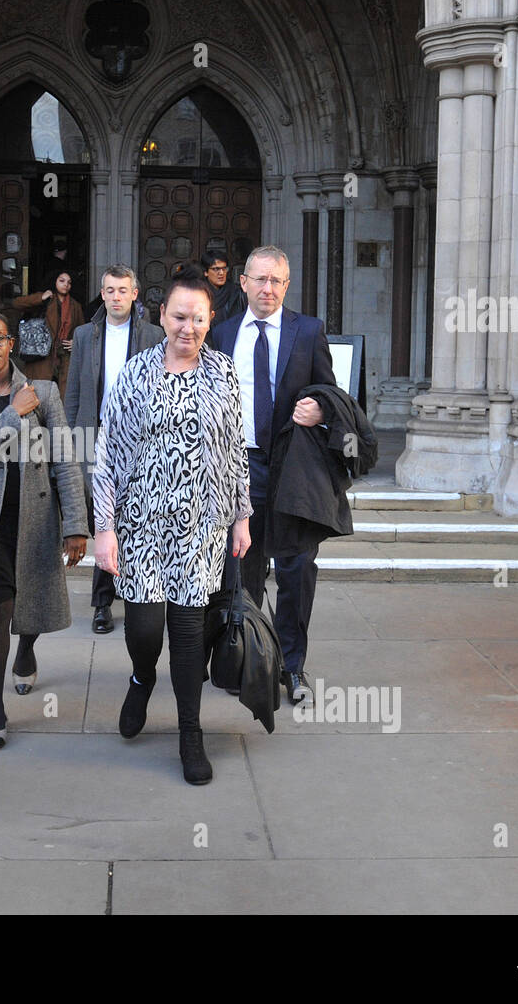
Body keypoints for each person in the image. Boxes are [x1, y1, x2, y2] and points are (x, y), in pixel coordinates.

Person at [93, 273, 253, 785]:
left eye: (198, 318)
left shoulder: (223, 373)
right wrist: (105, 527)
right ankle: (142, 676)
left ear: (210, 320)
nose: (188, 327)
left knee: (187, 632)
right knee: (144, 629)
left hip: (200, 526)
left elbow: (234, 451)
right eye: (179, 317)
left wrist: (241, 515)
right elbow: (108, 454)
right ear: (161, 316)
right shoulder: (136, 373)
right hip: (140, 522)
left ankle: (190, 732)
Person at [0, 311, 89, 749]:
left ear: (12, 344)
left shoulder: (43, 392)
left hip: (36, 519)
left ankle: (26, 648)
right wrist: (11, 413)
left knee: (32, 599)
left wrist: (76, 525)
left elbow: (64, 459)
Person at [210, 245, 337, 706]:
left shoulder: (308, 332)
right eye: (259, 279)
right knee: (241, 569)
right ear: (242, 282)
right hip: (238, 470)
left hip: (292, 469)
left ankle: (291, 666)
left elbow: (330, 390)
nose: (267, 289)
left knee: (297, 568)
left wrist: (320, 406)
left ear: (287, 285)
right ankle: (246, 658)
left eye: (276, 281)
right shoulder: (220, 335)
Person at [63, 264, 164, 635]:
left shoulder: (154, 335)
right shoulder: (86, 335)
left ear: (135, 294)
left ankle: (138, 597)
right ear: (102, 294)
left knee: (137, 518)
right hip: (96, 438)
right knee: (103, 519)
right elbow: (73, 390)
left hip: (141, 439)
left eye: (123, 290)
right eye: (109, 290)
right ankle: (103, 602)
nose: (116, 297)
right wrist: (73, 440)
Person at [13, 270, 85, 391]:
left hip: (64, 356)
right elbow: (16, 303)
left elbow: (81, 330)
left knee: (64, 396)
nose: (65, 284)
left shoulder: (75, 306)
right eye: (62, 281)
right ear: (54, 281)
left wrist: (76, 342)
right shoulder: (46, 299)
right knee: (38, 394)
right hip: (42, 354)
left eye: (69, 282)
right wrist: (40, 297)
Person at [203, 250, 247, 326]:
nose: (221, 273)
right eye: (216, 269)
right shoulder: (198, 294)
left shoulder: (237, 293)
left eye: (224, 268)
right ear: (206, 272)